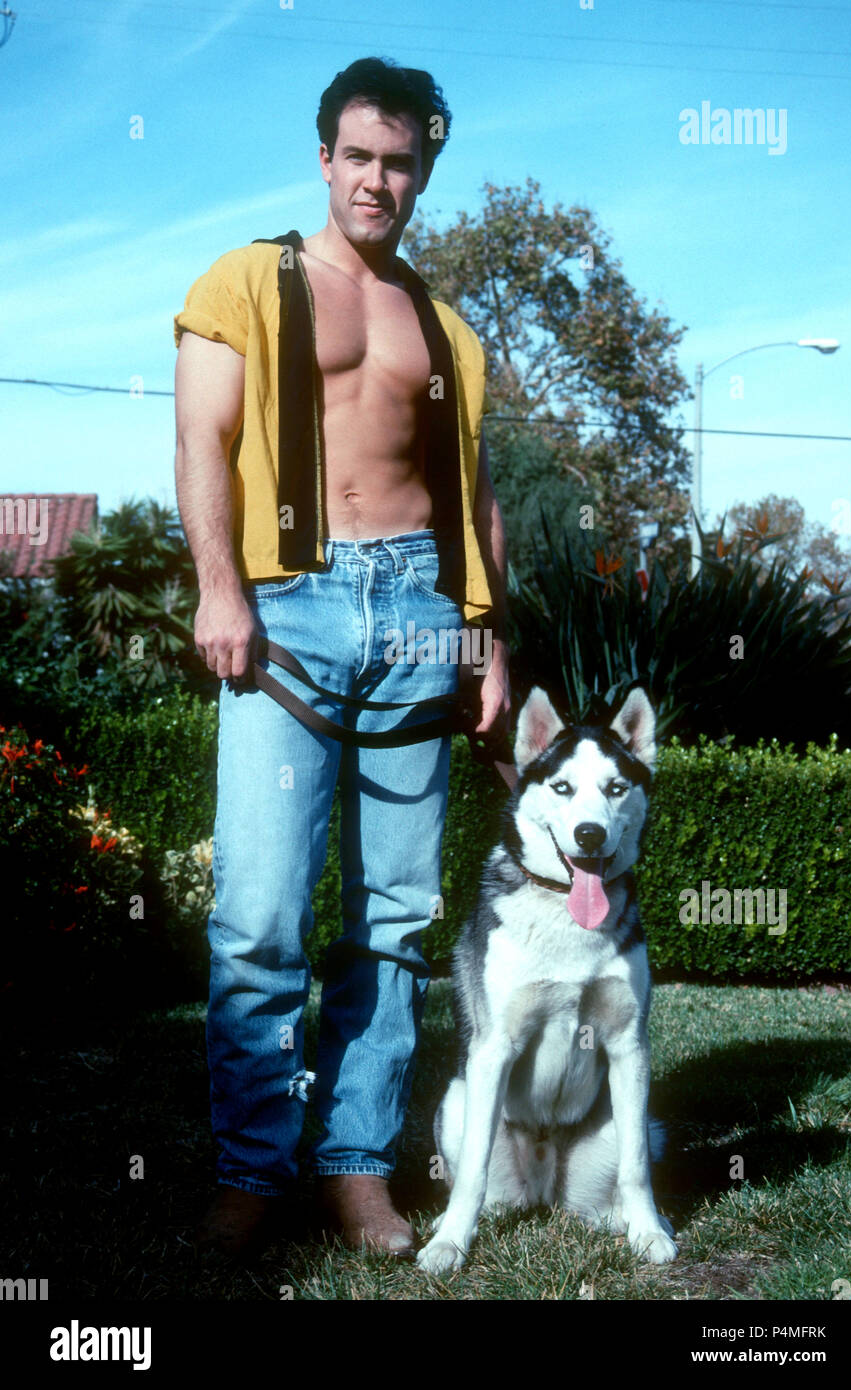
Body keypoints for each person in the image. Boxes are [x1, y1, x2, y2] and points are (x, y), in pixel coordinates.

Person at [173, 56, 510, 1261]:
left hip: (421, 608)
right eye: (358, 156)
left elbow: (474, 498)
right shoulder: (245, 281)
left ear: (425, 171)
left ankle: (357, 1169)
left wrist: (487, 639)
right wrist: (221, 586)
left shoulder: (449, 331)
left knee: (395, 920)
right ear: (324, 159)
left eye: (400, 162)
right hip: (288, 609)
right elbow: (202, 438)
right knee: (260, 915)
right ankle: (252, 1169)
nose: (378, 180)